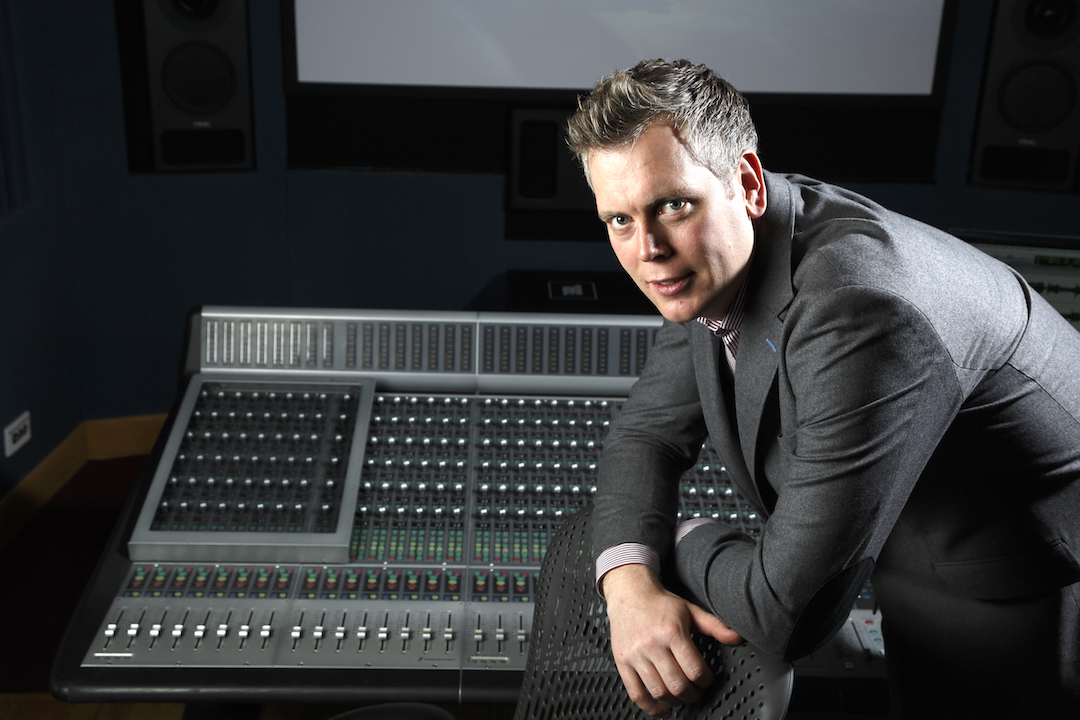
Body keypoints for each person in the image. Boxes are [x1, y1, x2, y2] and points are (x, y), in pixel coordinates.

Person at [566, 59, 1080, 720]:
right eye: (619, 220)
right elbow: (648, 432)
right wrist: (629, 583)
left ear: (747, 184)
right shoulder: (714, 256)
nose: (648, 249)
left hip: (1019, 585)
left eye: (673, 205)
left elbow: (787, 615)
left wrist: (680, 538)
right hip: (916, 547)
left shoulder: (860, 306)